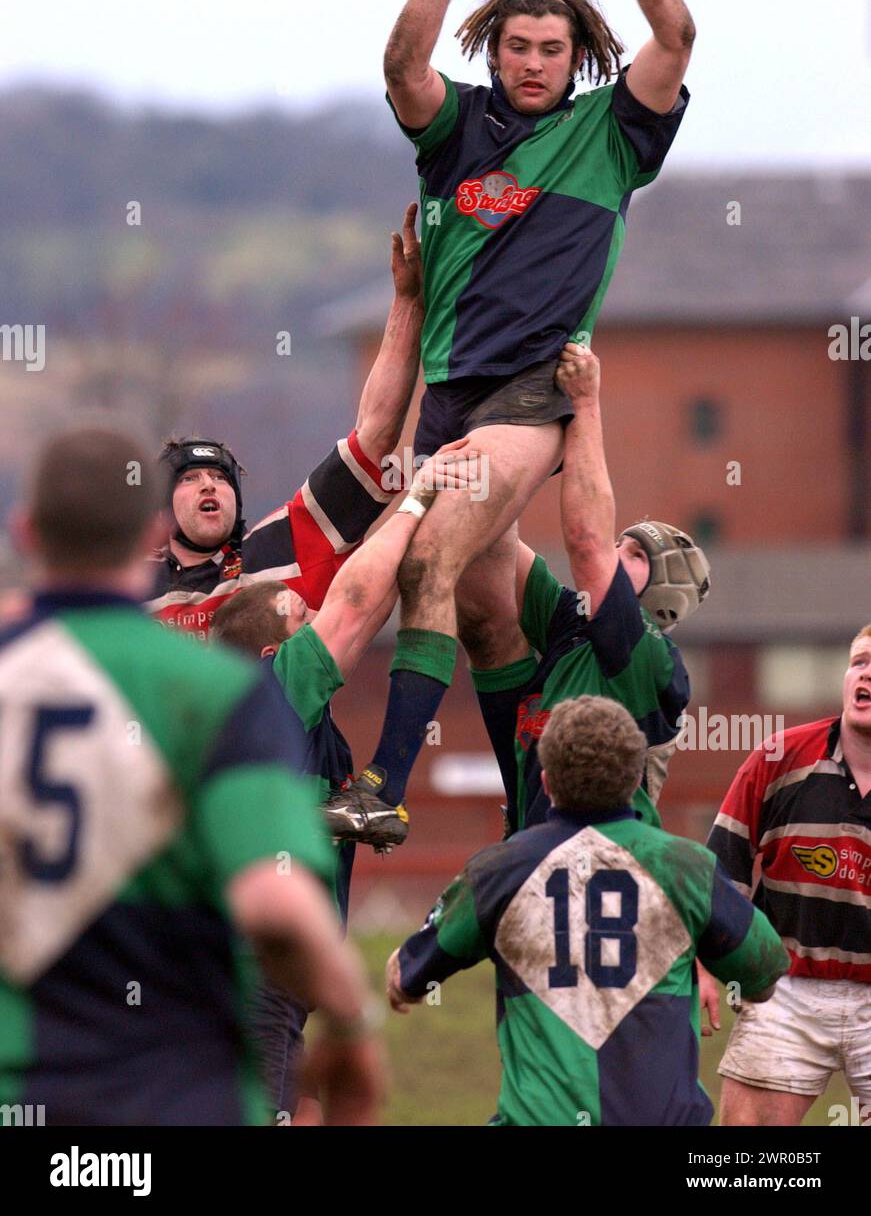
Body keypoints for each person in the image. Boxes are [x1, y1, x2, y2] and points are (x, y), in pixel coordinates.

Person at [330, 0, 695, 836]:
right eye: (517, 45)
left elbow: (675, 34)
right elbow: (401, 65)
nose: (533, 60)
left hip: (530, 396)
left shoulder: (610, 136)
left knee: (428, 557)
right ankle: (522, 816)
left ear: (575, 60)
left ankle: (382, 786)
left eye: (551, 47)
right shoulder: (453, 133)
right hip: (446, 396)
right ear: (493, 50)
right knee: (489, 613)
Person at [0, 427, 382, 1126]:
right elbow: (274, 904)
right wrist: (351, 1025)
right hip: (173, 1079)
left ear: (26, 534)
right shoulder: (218, 690)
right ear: (148, 533)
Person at [212, 441, 477, 1120]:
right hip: (261, 968)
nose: (313, 615)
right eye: (298, 617)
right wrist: (418, 494)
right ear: (273, 652)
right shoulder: (272, 687)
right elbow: (358, 600)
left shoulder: (259, 721)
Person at [387, 695, 788, 1126]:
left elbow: (406, 979)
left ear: (545, 780)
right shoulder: (687, 868)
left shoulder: (498, 871)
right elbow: (763, 973)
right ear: (636, 778)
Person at [147, 205, 424, 636]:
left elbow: (375, 436)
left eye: (220, 478)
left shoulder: (282, 544)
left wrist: (407, 304)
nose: (209, 484)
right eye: (189, 478)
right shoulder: (129, 591)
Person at [471, 342, 709, 833]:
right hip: (535, 854)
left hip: (606, 861)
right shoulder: (570, 626)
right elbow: (492, 543)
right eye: (621, 543)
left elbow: (587, 542)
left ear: (667, 598)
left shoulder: (649, 656)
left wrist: (583, 403)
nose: (618, 552)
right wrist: (484, 449)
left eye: (638, 555)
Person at [707, 623, 871, 1126]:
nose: (866, 675)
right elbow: (722, 868)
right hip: (785, 986)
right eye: (860, 661)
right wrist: (707, 965)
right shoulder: (779, 757)